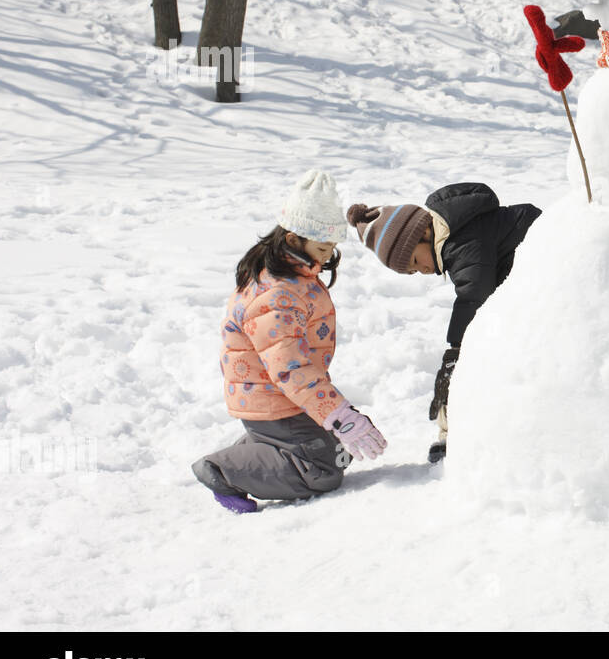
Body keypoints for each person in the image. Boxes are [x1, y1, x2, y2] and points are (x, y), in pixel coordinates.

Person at [192, 170, 388, 514]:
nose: (327, 256)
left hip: (284, 396)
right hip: (270, 398)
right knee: (323, 473)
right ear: (295, 238)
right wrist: (339, 415)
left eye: (331, 248)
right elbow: (291, 367)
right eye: (322, 247)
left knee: (338, 455)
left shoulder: (295, 277)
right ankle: (224, 471)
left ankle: (265, 448)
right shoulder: (277, 294)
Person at [347, 183, 541, 463]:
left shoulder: (461, 241)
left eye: (415, 260)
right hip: (531, 285)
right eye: (413, 271)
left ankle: (459, 432)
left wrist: (455, 351)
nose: (423, 270)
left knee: (471, 357)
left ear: (424, 233)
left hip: (559, 269)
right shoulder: (458, 230)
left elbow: (473, 296)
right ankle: (459, 429)